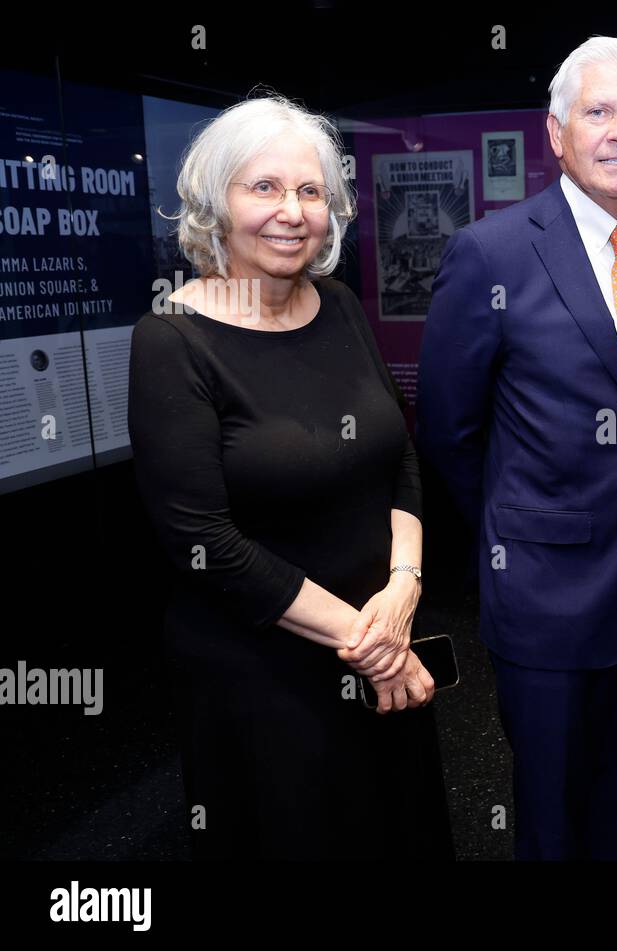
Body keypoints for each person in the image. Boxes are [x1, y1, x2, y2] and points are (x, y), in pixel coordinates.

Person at [128, 94, 453, 860]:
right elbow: (201, 541)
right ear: (216, 203)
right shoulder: (170, 339)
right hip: (267, 679)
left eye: (309, 191)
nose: (291, 211)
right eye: (263, 188)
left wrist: (403, 588)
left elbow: (398, 455)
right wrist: (372, 642)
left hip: (382, 640)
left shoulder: (337, 306)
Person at [417, 36, 617, 861]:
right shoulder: (491, 253)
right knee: (552, 823)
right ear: (556, 132)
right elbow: (448, 431)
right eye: (600, 111)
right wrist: (523, 530)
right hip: (548, 600)